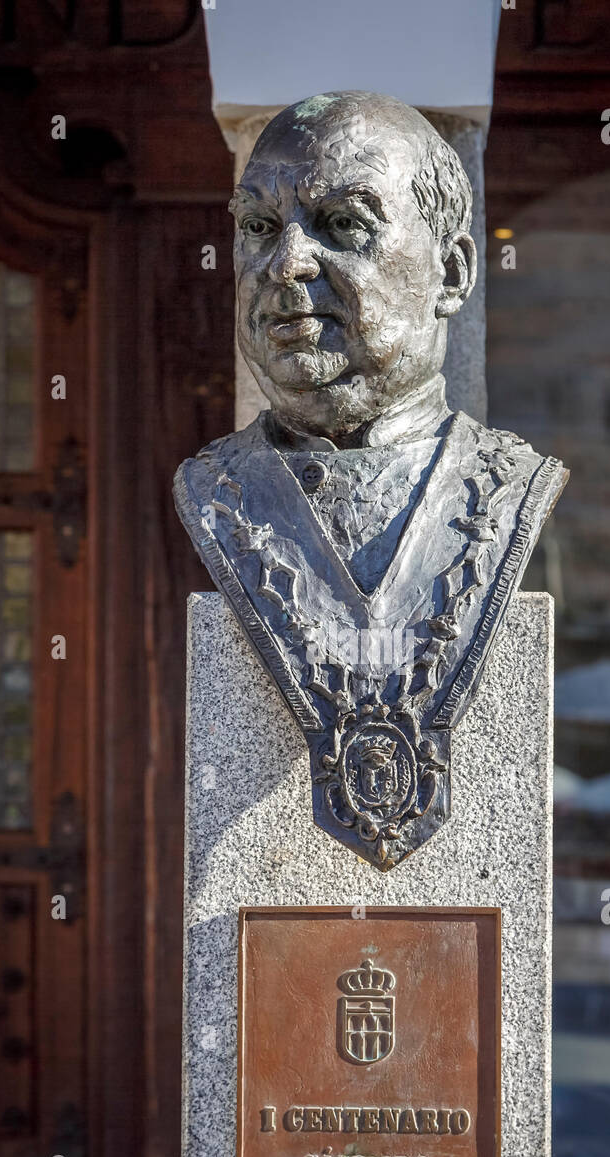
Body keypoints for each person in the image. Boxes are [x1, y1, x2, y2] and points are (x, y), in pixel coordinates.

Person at [175, 91, 568, 868]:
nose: (284, 262)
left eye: (344, 224)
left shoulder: (509, 489)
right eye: (258, 228)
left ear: (451, 273)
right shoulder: (214, 492)